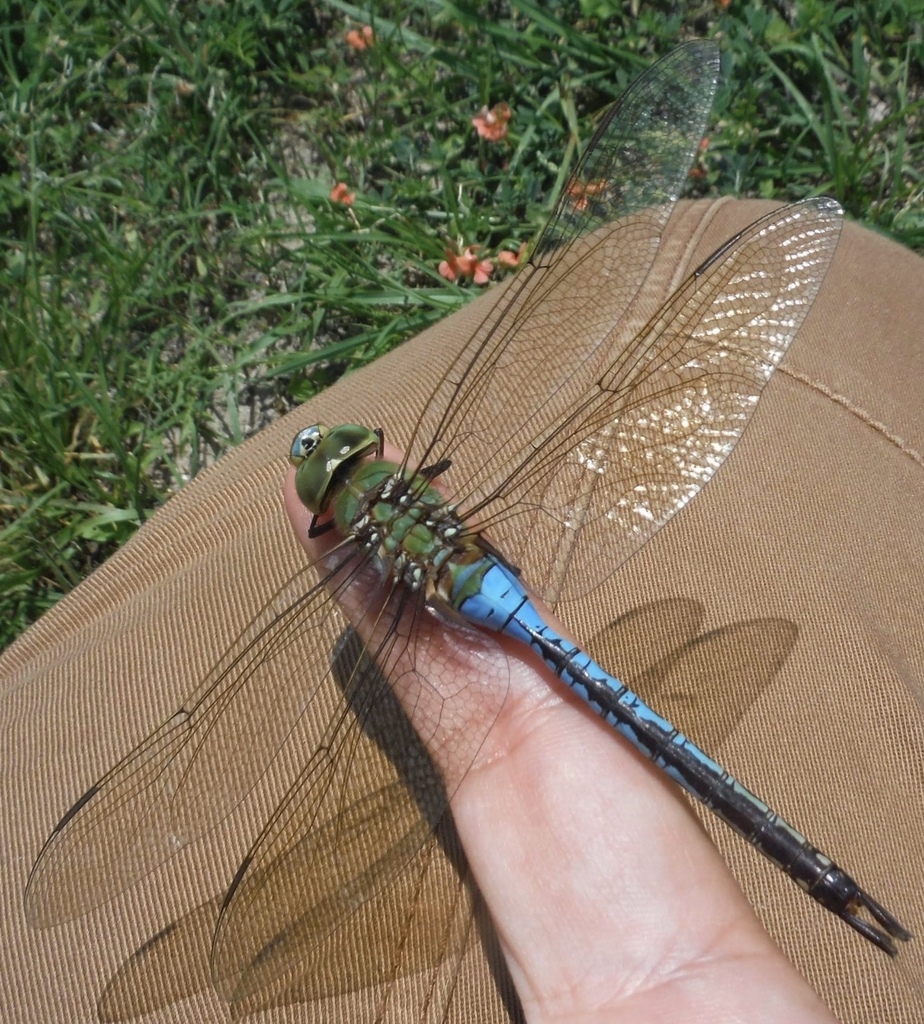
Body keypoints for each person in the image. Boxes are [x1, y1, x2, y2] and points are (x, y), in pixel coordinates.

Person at [2, 199, 921, 1023]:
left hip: (480, 608)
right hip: (499, 588)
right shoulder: (414, 489)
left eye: (336, 465)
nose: (337, 456)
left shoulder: (354, 539)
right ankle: (833, 885)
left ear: (333, 519)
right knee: (717, 230)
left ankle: (829, 888)